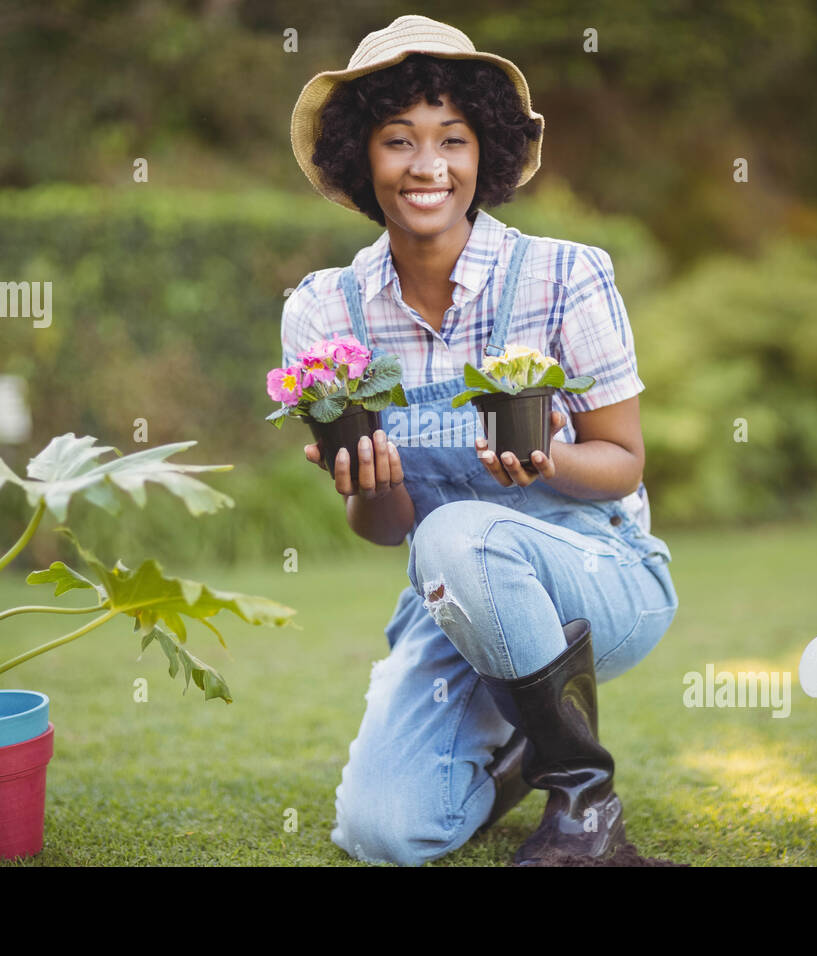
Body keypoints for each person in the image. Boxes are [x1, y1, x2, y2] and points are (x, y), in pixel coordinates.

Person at [284, 15, 677, 866]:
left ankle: (586, 805)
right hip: (454, 602)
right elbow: (385, 529)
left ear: (482, 152)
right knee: (383, 834)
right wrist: (370, 481)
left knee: (455, 530)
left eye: (452, 140)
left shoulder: (565, 274)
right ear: (362, 157)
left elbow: (623, 465)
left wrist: (544, 459)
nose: (428, 166)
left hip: (600, 576)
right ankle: (519, 752)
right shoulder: (326, 309)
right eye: (398, 141)